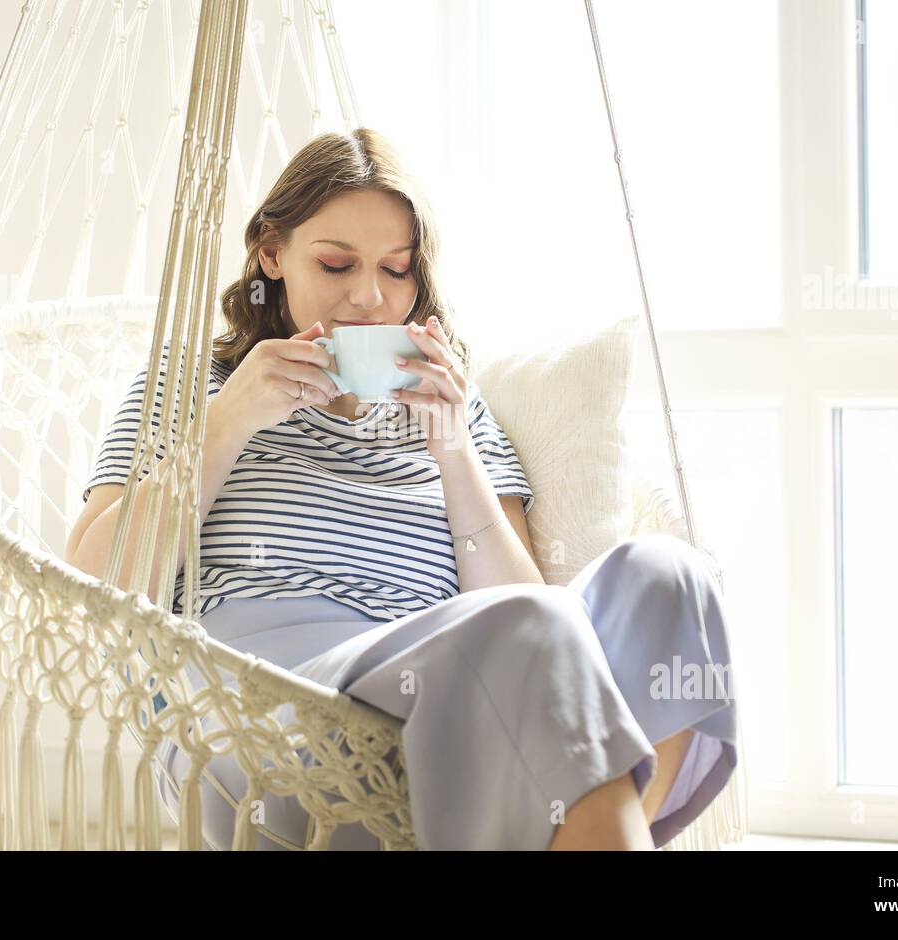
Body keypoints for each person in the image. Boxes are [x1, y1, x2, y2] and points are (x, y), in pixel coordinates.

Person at [65, 127, 738, 851]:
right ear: (271, 252)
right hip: (264, 720)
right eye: (335, 263)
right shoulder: (191, 384)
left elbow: (533, 611)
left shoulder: (456, 407)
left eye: (396, 270)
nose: (370, 298)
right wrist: (227, 422)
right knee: (528, 631)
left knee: (670, 579)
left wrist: (452, 446)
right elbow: (91, 583)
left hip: (454, 705)